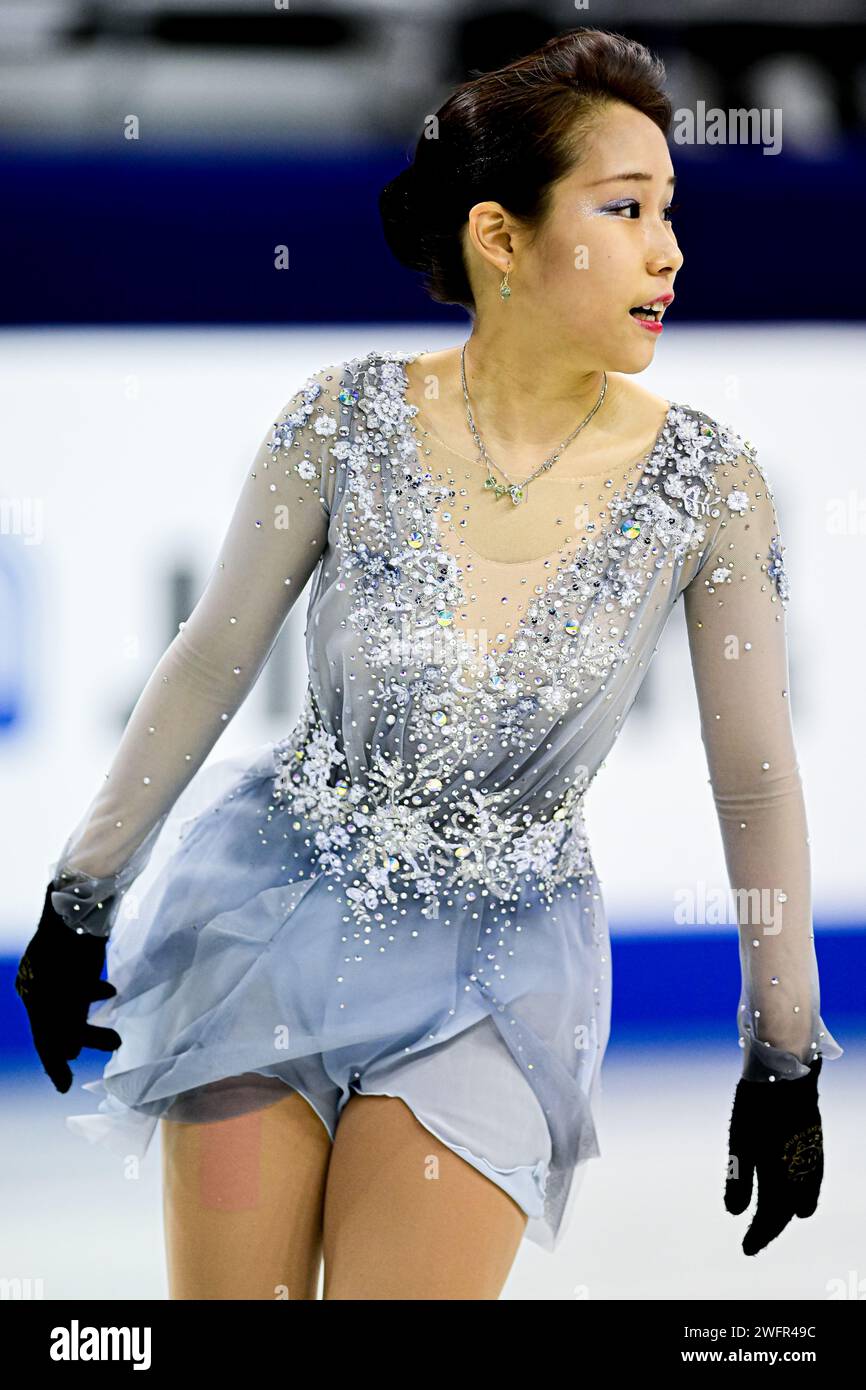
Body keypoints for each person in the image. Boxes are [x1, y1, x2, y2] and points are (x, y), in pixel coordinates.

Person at [15, 27, 842, 1301]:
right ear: (498, 236)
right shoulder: (340, 420)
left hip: (498, 977)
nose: (667, 250)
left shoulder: (705, 485)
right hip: (266, 927)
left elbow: (754, 777)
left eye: (667, 209)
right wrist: (83, 894)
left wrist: (780, 1051)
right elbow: (209, 661)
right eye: (622, 211)